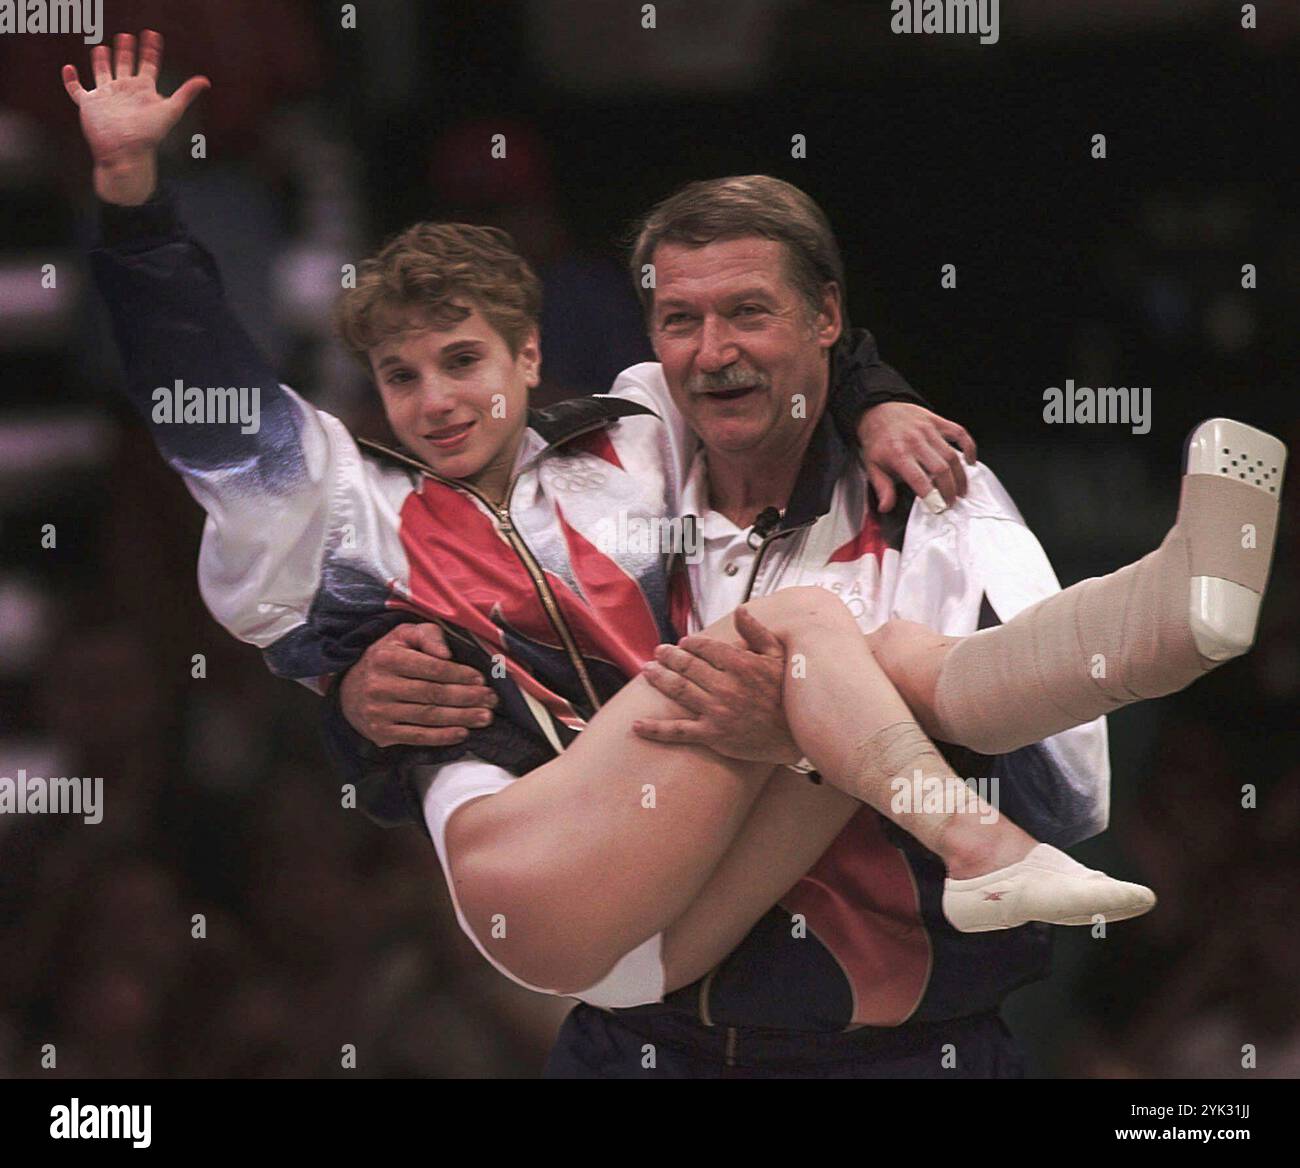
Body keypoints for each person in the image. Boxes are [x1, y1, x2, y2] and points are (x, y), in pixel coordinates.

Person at [69, 32, 1285, 1076]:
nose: (438, 402)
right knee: (808, 642)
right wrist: (134, 208)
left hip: (861, 1018)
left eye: (465, 364)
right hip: (587, 939)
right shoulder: (388, 502)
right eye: (402, 376)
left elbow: (1068, 785)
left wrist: (869, 399)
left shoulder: (682, 463)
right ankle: (1101, 687)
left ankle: (1160, 628)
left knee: (845, 659)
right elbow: (215, 419)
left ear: (533, 359)